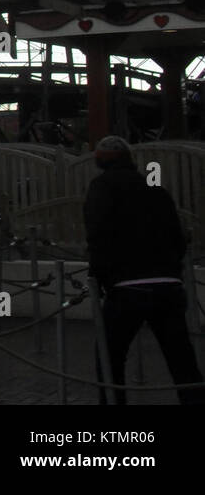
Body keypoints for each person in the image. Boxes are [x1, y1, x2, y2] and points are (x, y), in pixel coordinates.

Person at [84, 134, 204, 404]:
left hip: (126, 286)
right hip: (168, 285)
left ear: (100, 161)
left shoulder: (101, 187)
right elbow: (178, 238)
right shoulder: (157, 192)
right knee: (181, 358)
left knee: (110, 355)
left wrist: (101, 277)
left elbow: (98, 236)